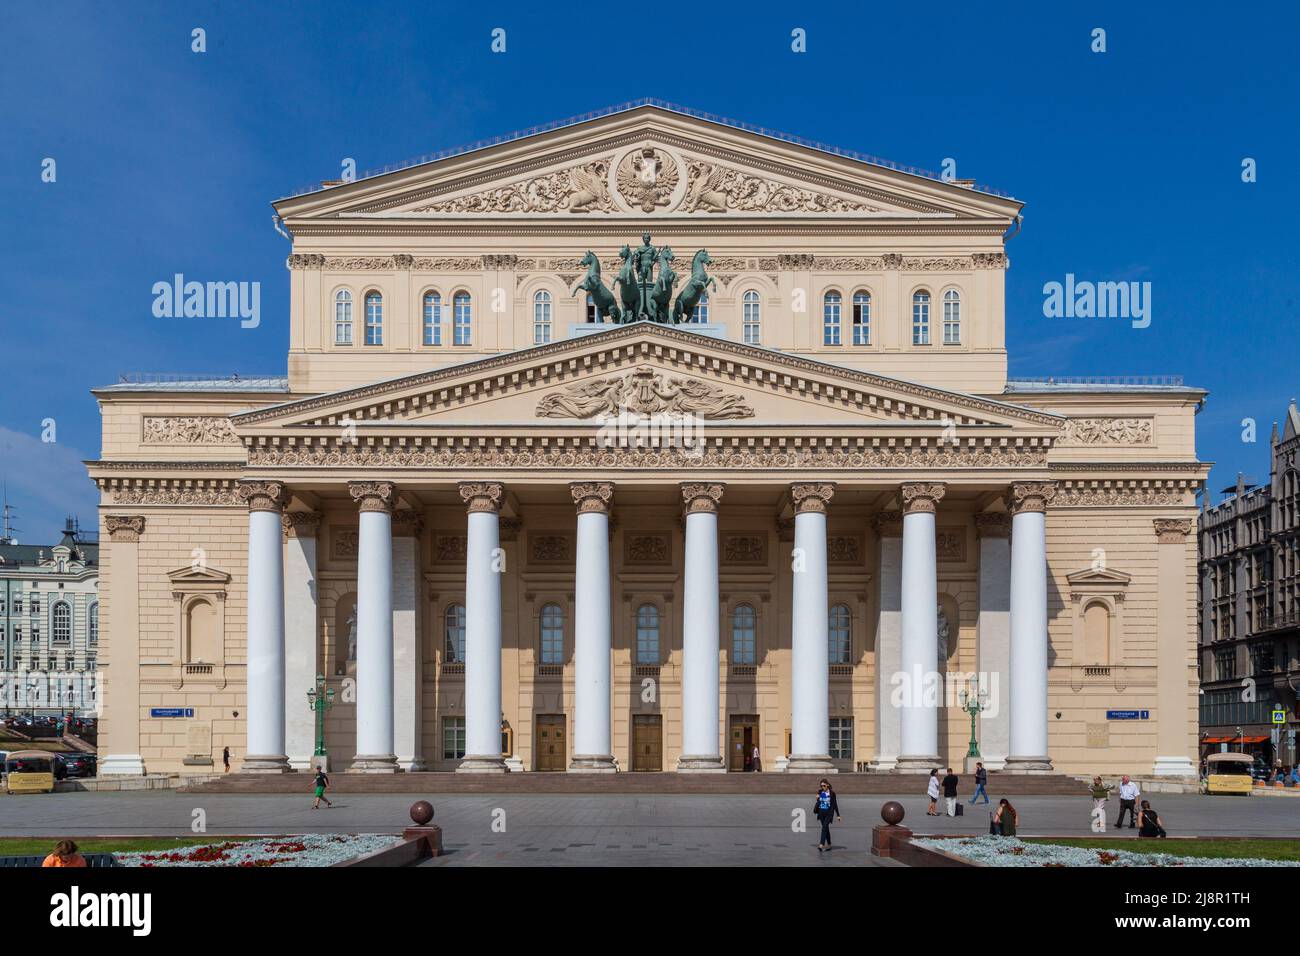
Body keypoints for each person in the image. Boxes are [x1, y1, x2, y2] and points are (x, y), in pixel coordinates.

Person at [813, 779, 841, 852]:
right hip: (821, 813)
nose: (822, 787)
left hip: (829, 813)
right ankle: (829, 844)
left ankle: (821, 844)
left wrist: (838, 815)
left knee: (824, 827)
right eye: (821, 786)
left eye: (824, 785)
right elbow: (819, 802)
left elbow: (835, 804)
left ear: (827, 785)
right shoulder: (820, 792)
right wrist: (817, 798)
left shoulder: (832, 794)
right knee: (826, 828)